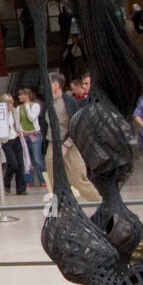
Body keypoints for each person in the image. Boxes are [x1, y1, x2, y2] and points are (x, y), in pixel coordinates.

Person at [44, 72, 100, 203]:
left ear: (56, 85)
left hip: (69, 143)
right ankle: (61, 205)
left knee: (77, 178)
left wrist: (67, 145)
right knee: (52, 177)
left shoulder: (69, 102)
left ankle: (100, 202)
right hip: (53, 143)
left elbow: (77, 125)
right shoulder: (49, 102)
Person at [0, 94, 28, 195]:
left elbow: (17, 124)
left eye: (10, 103)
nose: (9, 105)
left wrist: (20, 130)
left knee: (20, 164)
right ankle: (6, 181)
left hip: (16, 138)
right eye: (6, 103)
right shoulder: (0, 114)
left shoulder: (15, 112)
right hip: (6, 140)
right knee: (13, 163)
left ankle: (21, 188)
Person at [16, 87, 45, 187]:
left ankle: (43, 180)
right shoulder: (18, 108)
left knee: (37, 158)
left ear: (27, 96)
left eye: (21, 95)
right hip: (24, 135)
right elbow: (18, 121)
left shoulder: (35, 105)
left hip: (34, 134)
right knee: (27, 159)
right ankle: (29, 181)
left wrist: (27, 107)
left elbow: (32, 118)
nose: (19, 97)